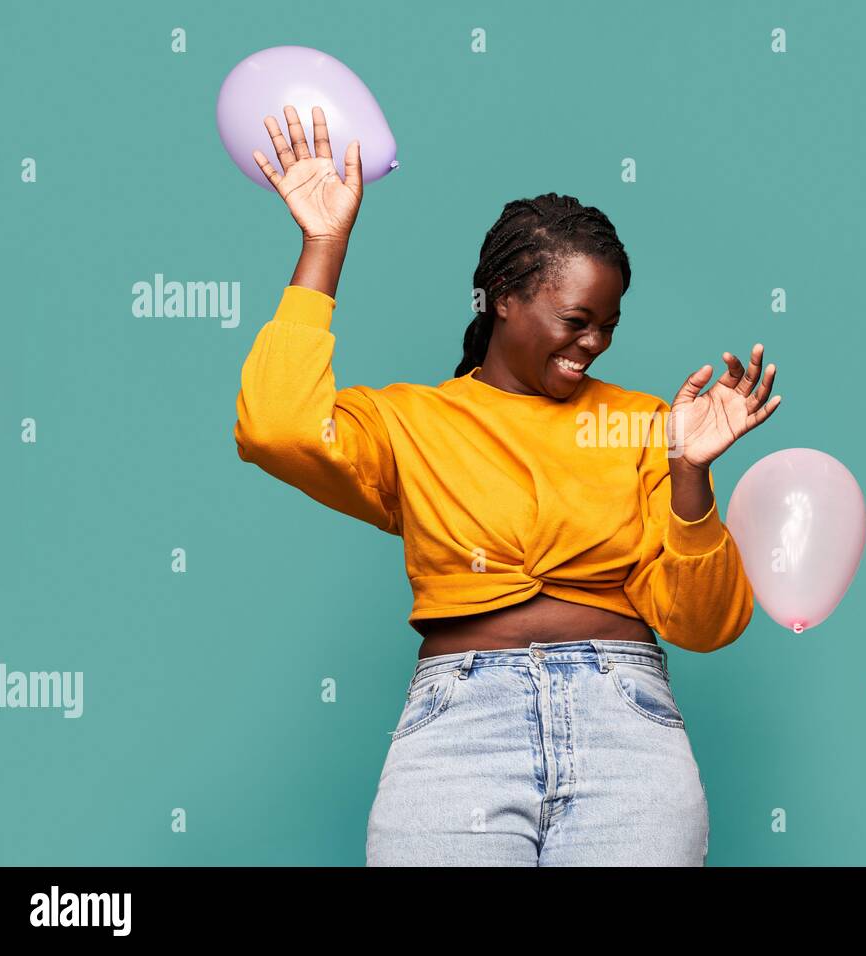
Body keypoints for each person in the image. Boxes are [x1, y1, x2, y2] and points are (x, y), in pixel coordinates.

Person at [234, 105, 782, 866]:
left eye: (609, 326)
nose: (593, 344)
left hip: (626, 730)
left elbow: (707, 624)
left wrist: (691, 472)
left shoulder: (647, 423)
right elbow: (274, 427)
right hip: (461, 731)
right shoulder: (414, 422)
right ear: (502, 297)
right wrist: (324, 245)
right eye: (575, 319)